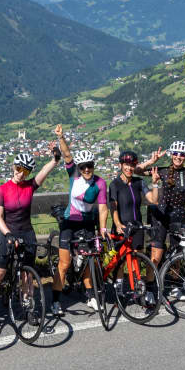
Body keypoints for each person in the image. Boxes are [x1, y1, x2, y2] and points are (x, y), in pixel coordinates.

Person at [0, 143, 63, 306]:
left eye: (26, 171)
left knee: (27, 274)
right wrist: (7, 233)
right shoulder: (2, 189)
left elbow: (44, 171)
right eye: (18, 168)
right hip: (7, 232)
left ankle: (28, 306)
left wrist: (55, 158)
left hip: (27, 232)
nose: (21, 173)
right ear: (13, 167)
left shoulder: (30, 186)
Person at [51, 125, 110, 316]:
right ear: (79, 168)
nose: (86, 169)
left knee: (89, 260)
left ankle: (91, 295)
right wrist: (61, 138)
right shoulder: (74, 175)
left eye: (89, 166)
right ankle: (56, 301)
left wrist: (102, 228)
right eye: (83, 166)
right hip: (69, 222)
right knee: (65, 264)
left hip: (88, 224)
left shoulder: (100, 183)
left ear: (93, 166)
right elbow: (67, 156)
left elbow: (102, 207)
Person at [148, 141, 185, 268]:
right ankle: (151, 283)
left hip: (178, 215)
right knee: (156, 252)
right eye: (176, 153)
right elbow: (137, 170)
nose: (179, 157)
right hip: (161, 215)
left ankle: (174, 283)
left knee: (177, 253)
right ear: (171, 155)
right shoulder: (162, 171)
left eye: (182, 155)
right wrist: (151, 162)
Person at [108, 149, 161, 244]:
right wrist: (118, 224)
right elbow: (113, 207)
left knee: (138, 257)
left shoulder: (139, 182)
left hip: (137, 227)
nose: (129, 168)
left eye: (132, 165)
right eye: (126, 164)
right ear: (120, 165)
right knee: (122, 258)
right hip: (122, 228)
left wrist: (155, 184)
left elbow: (153, 200)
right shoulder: (115, 184)